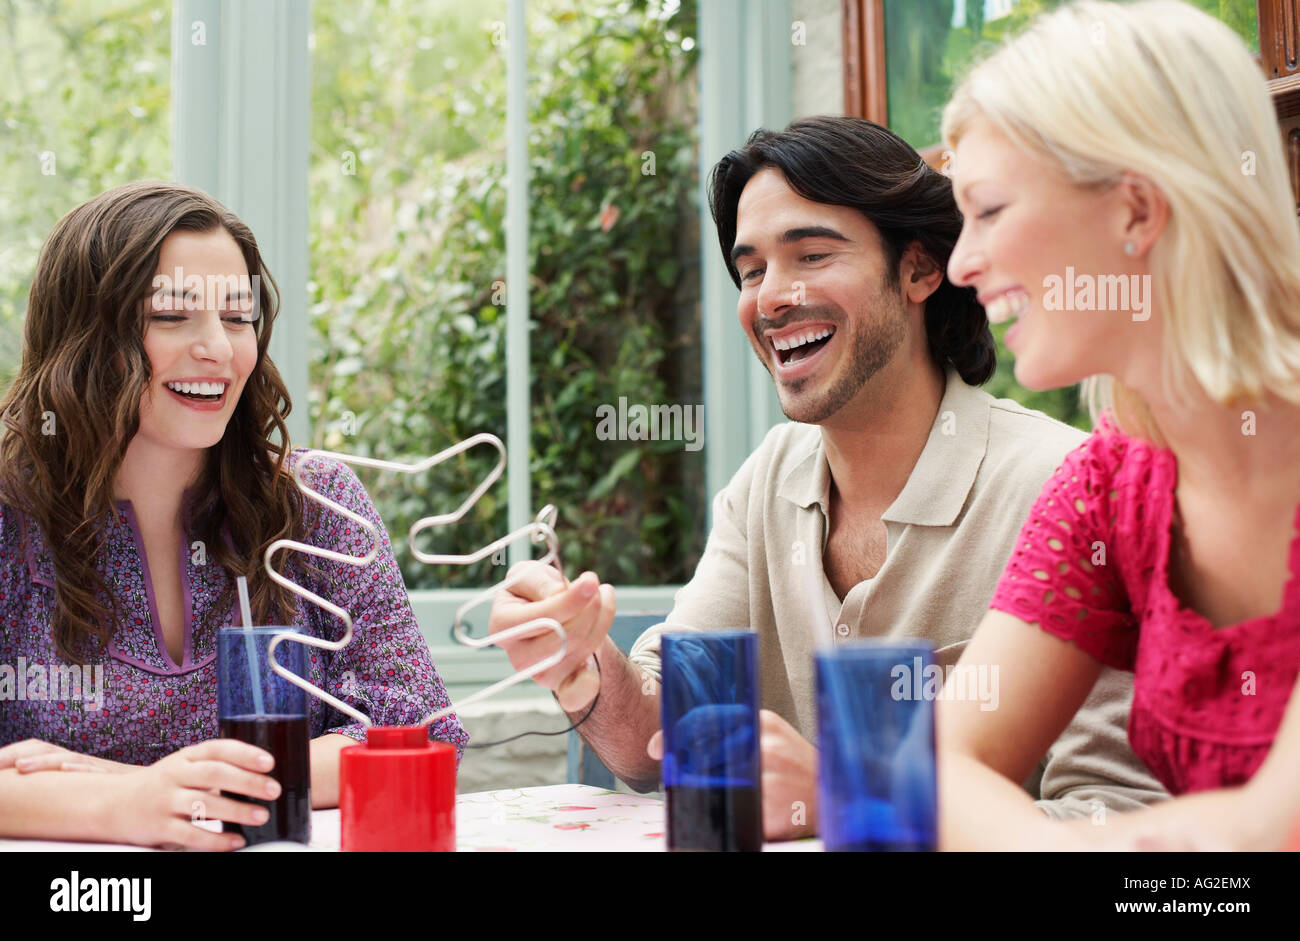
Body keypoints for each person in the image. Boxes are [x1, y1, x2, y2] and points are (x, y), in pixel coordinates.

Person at [489, 115, 1167, 840]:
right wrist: (577, 661)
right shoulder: (767, 481)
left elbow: (1118, 817)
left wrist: (845, 792)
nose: (772, 297)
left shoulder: (1059, 486)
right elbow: (657, 740)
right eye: (751, 271)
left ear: (919, 268)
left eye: (811, 254)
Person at [0, 181, 467, 850]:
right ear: (83, 334)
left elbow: (424, 733)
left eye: (238, 315)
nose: (219, 348)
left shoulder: (319, 506)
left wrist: (172, 784)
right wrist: (121, 802)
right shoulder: (9, 520)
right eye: (173, 315)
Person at [938, 0, 1300, 850]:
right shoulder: (1112, 485)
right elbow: (940, 769)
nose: (960, 261)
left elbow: (1269, 832)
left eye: (988, 210)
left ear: (1137, 209)